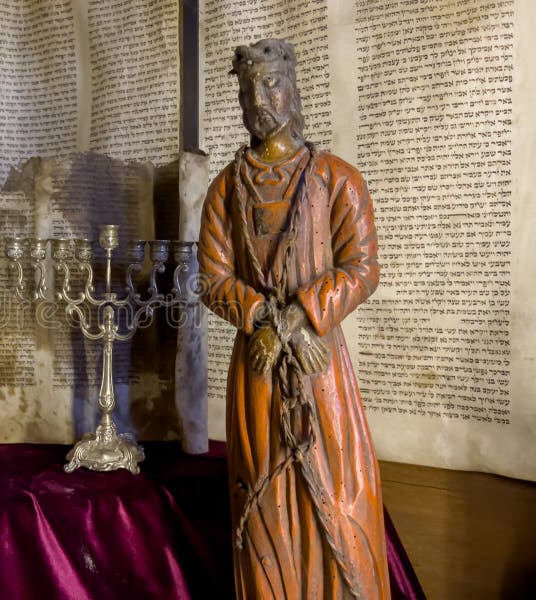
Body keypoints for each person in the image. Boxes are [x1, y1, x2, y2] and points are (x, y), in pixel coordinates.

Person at [198, 39, 391, 599]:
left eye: (271, 84)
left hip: (319, 366)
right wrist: (261, 317)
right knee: (263, 497)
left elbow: (362, 267)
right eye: (247, 90)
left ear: (293, 88)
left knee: (338, 489)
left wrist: (303, 318)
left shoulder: (338, 179)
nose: (260, 100)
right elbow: (213, 277)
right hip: (257, 369)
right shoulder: (225, 190)